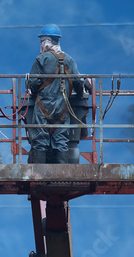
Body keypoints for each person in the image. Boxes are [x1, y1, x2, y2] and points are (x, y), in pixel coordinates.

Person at [25, 24, 88, 163]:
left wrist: (35, 90)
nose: (41, 44)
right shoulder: (69, 60)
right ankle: (63, 174)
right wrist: (78, 93)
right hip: (62, 107)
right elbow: (78, 83)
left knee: (40, 138)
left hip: (43, 106)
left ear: (46, 41)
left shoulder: (41, 59)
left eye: (42, 41)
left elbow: (33, 84)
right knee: (61, 139)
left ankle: (39, 174)